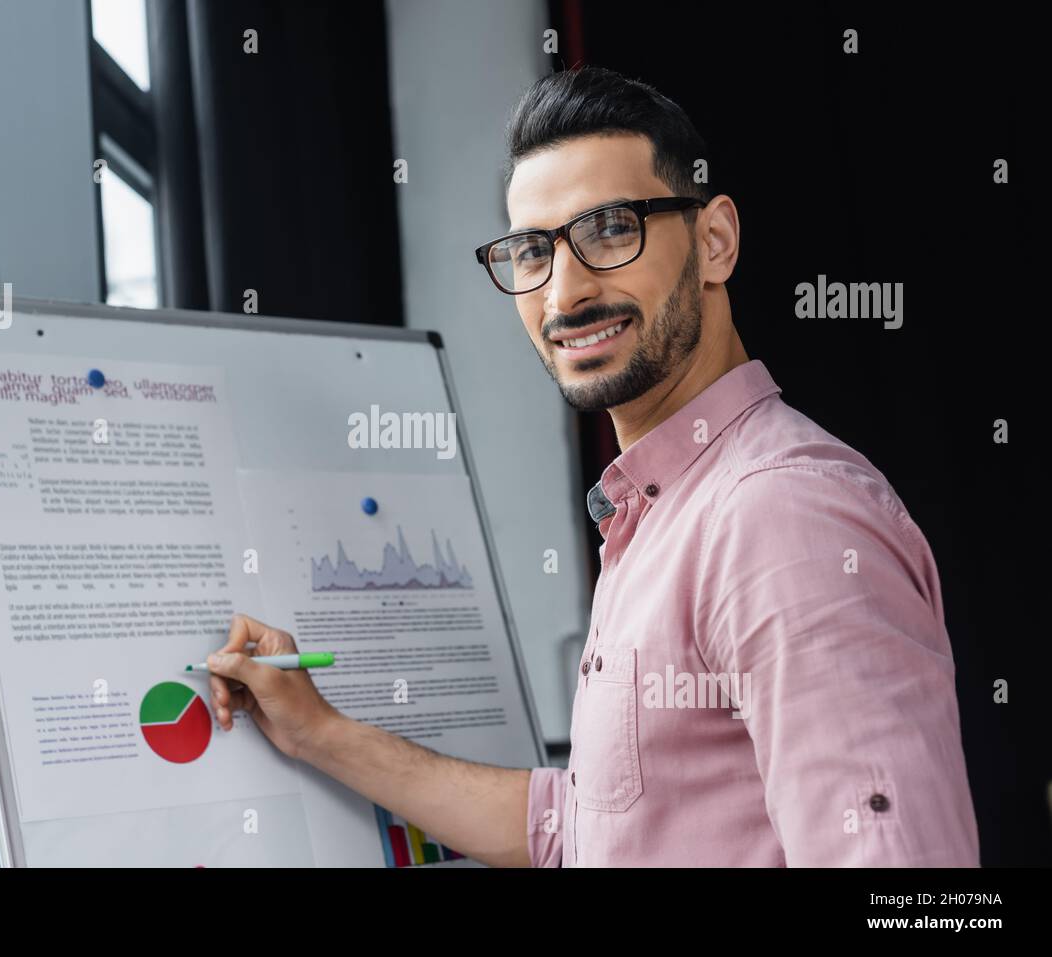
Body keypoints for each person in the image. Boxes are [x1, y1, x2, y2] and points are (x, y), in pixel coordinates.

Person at [205, 66, 980, 867]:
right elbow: (581, 830)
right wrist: (319, 732)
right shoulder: (660, 509)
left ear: (714, 242)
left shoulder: (780, 515)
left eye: (611, 229)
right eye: (532, 250)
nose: (563, 294)